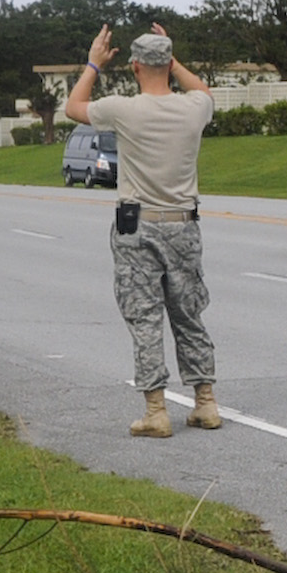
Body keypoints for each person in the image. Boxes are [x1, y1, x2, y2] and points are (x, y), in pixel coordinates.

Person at [65, 23, 220, 439]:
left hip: (139, 229)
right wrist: (173, 59)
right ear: (168, 66)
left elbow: (73, 106)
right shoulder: (193, 108)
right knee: (189, 314)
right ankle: (205, 402)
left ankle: (156, 410)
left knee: (145, 317)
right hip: (184, 227)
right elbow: (203, 89)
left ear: (134, 67)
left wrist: (94, 64)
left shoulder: (123, 109)